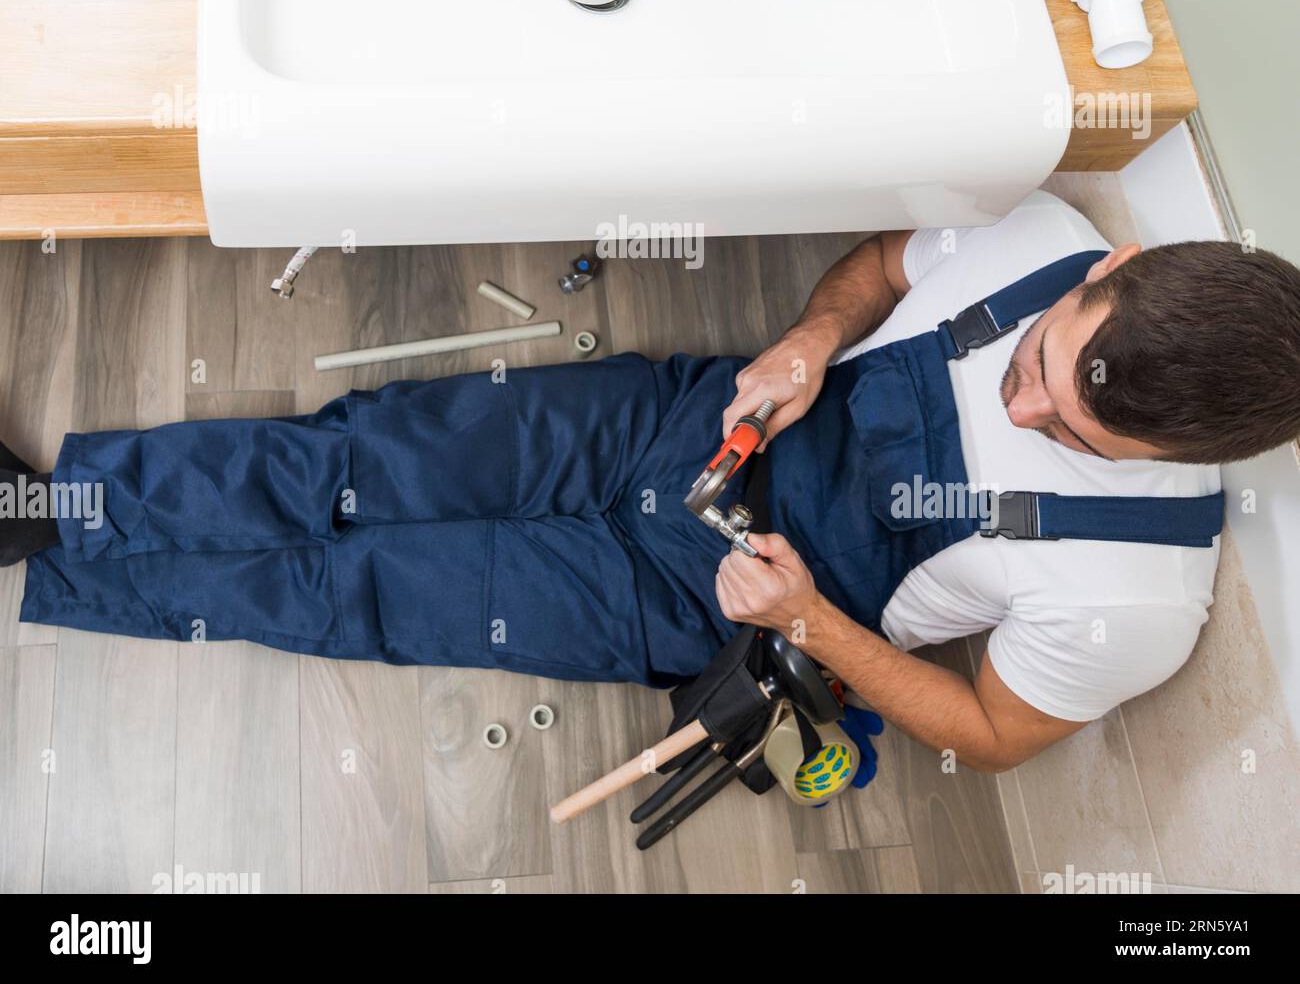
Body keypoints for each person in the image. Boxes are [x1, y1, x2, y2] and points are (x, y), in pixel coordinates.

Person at [6, 192, 1299, 773]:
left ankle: (59, 566)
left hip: (700, 594)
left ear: (1179, 460)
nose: (1023, 407)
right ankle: (40, 514)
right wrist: (809, 338)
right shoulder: (1044, 243)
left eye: (1066, 432)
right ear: (1108, 266)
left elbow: (995, 736)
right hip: (677, 421)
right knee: (351, 459)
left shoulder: (1141, 595)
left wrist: (812, 625)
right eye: (1037, 365)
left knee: (370, 582)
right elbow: (883, 268)